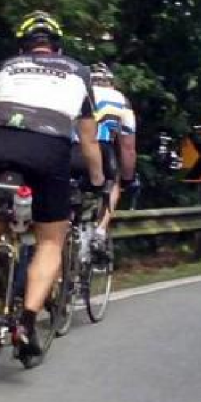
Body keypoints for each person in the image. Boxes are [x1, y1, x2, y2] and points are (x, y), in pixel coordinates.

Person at [0, 10, 105, 359]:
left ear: (24, 45)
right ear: (58, 46)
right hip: (48, 147)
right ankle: (26, 322)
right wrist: (96, 180)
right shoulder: (79, 72)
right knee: (52, 238)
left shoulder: (7, 65)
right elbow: (88, 139)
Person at [71, 62, 138, 256]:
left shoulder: (75, 94)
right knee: (114, 183)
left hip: (70, 151)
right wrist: (128, 178)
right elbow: (128, 147)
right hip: (102, 151)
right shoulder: (120, 100)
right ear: (110, 82)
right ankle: (100, 231)